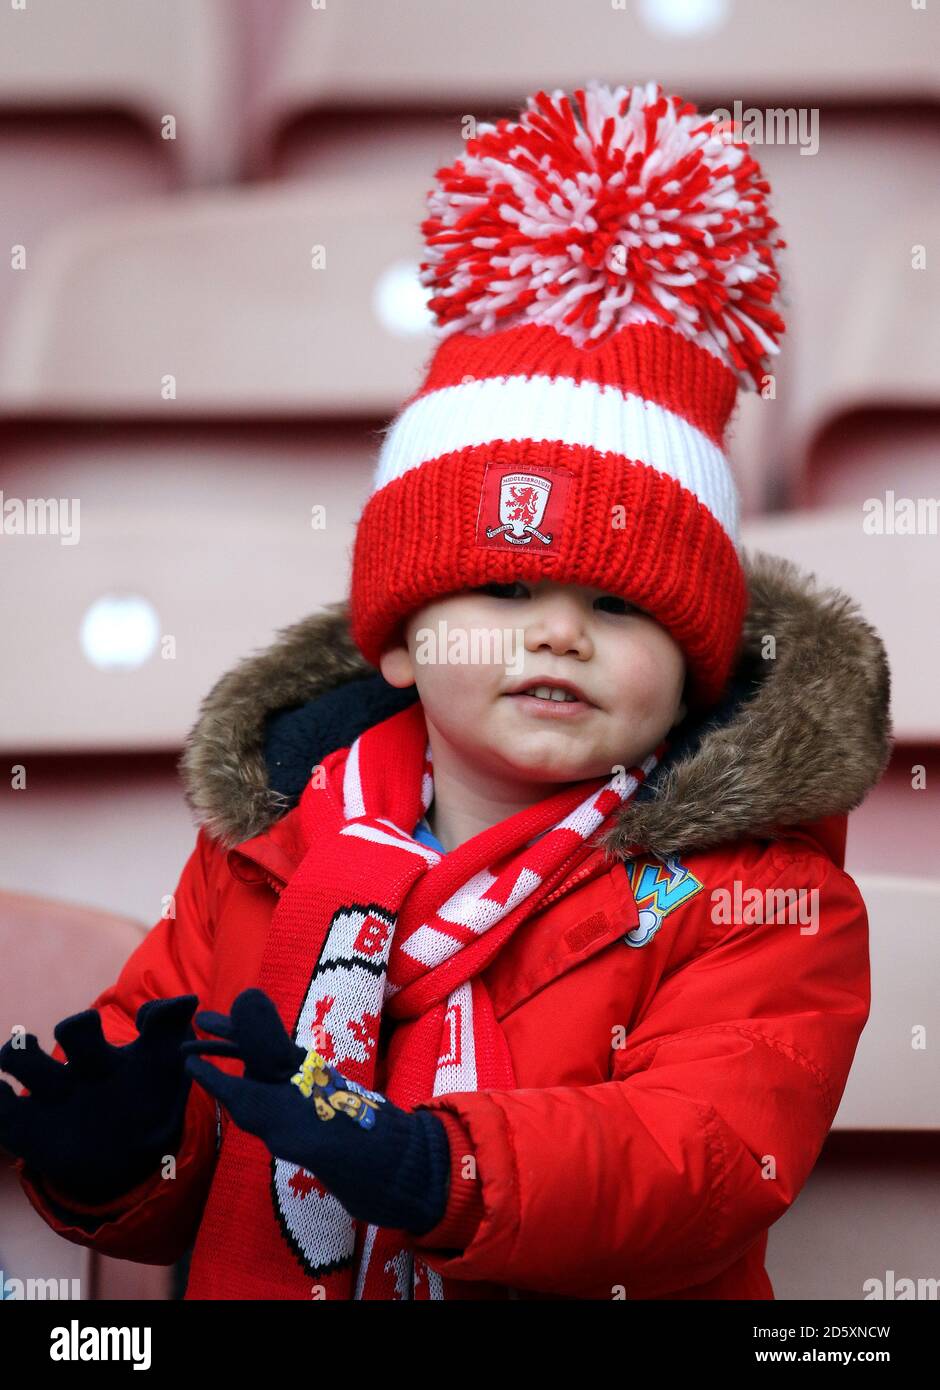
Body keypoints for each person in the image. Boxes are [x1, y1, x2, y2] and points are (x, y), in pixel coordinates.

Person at [1, 80, 890, 1300]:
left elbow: (708, 1155)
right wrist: (116, 1158)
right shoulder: (267, 844)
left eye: (621, 607)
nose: (561, 637)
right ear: (401, 643)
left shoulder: (760, 891)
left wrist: (435, 1167)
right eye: (507, 596)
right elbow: (196, 1143)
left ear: (693, 664)